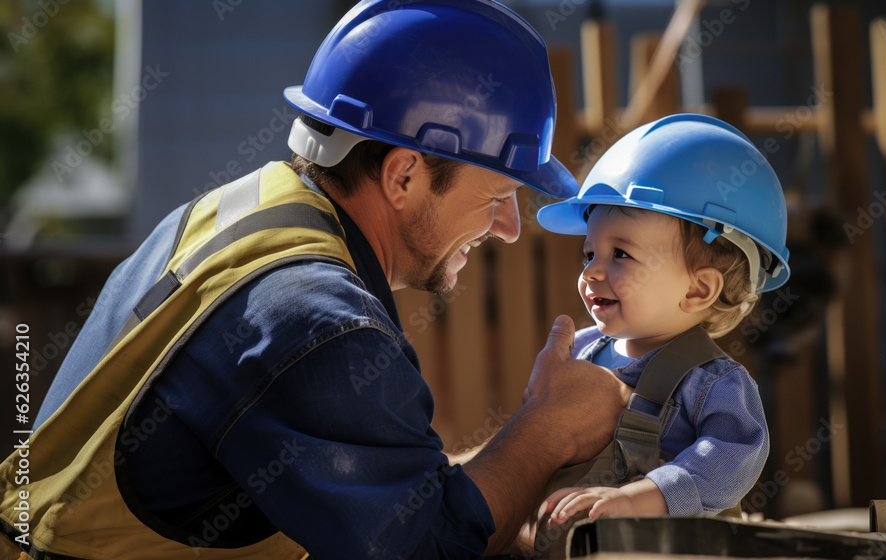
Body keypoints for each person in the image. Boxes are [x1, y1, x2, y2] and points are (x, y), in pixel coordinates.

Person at [0, 1, 629, 558]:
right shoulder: (315, 320)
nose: (510, 228)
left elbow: (390, 496)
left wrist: (513, 475)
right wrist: (546, 430)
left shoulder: (241, 214)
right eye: (498, 195)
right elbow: (426, 547)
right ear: (404, 175)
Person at [533, 114, 791, 530]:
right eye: (589, 254)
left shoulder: (711, 383)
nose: (592, 273)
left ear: (697, 290)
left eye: (620, 254)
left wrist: (638, 498)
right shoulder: (578, 352)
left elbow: (732, 459)